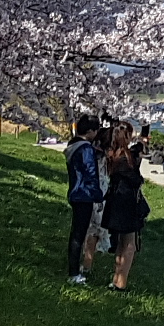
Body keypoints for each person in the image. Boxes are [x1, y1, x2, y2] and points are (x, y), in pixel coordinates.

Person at [102, 123, 150, 290]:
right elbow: (135, 179)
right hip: (128, 202)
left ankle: (116, 278)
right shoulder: (127, 158)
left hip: (115, 200)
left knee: (121, 242)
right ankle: (121, 283)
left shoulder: (112, 154)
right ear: (127, 137)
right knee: (130, 244)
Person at [64, 117, 105, 284]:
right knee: (79, 235)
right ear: (89, 131)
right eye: (95, 130)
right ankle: (74, 273)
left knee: (76, 233)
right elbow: (91, 173)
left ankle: (74, 269)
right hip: (84, 195)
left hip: (75, 192)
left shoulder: (72, 146)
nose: (96, 134)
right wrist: (98, 196)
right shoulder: (86, 148)